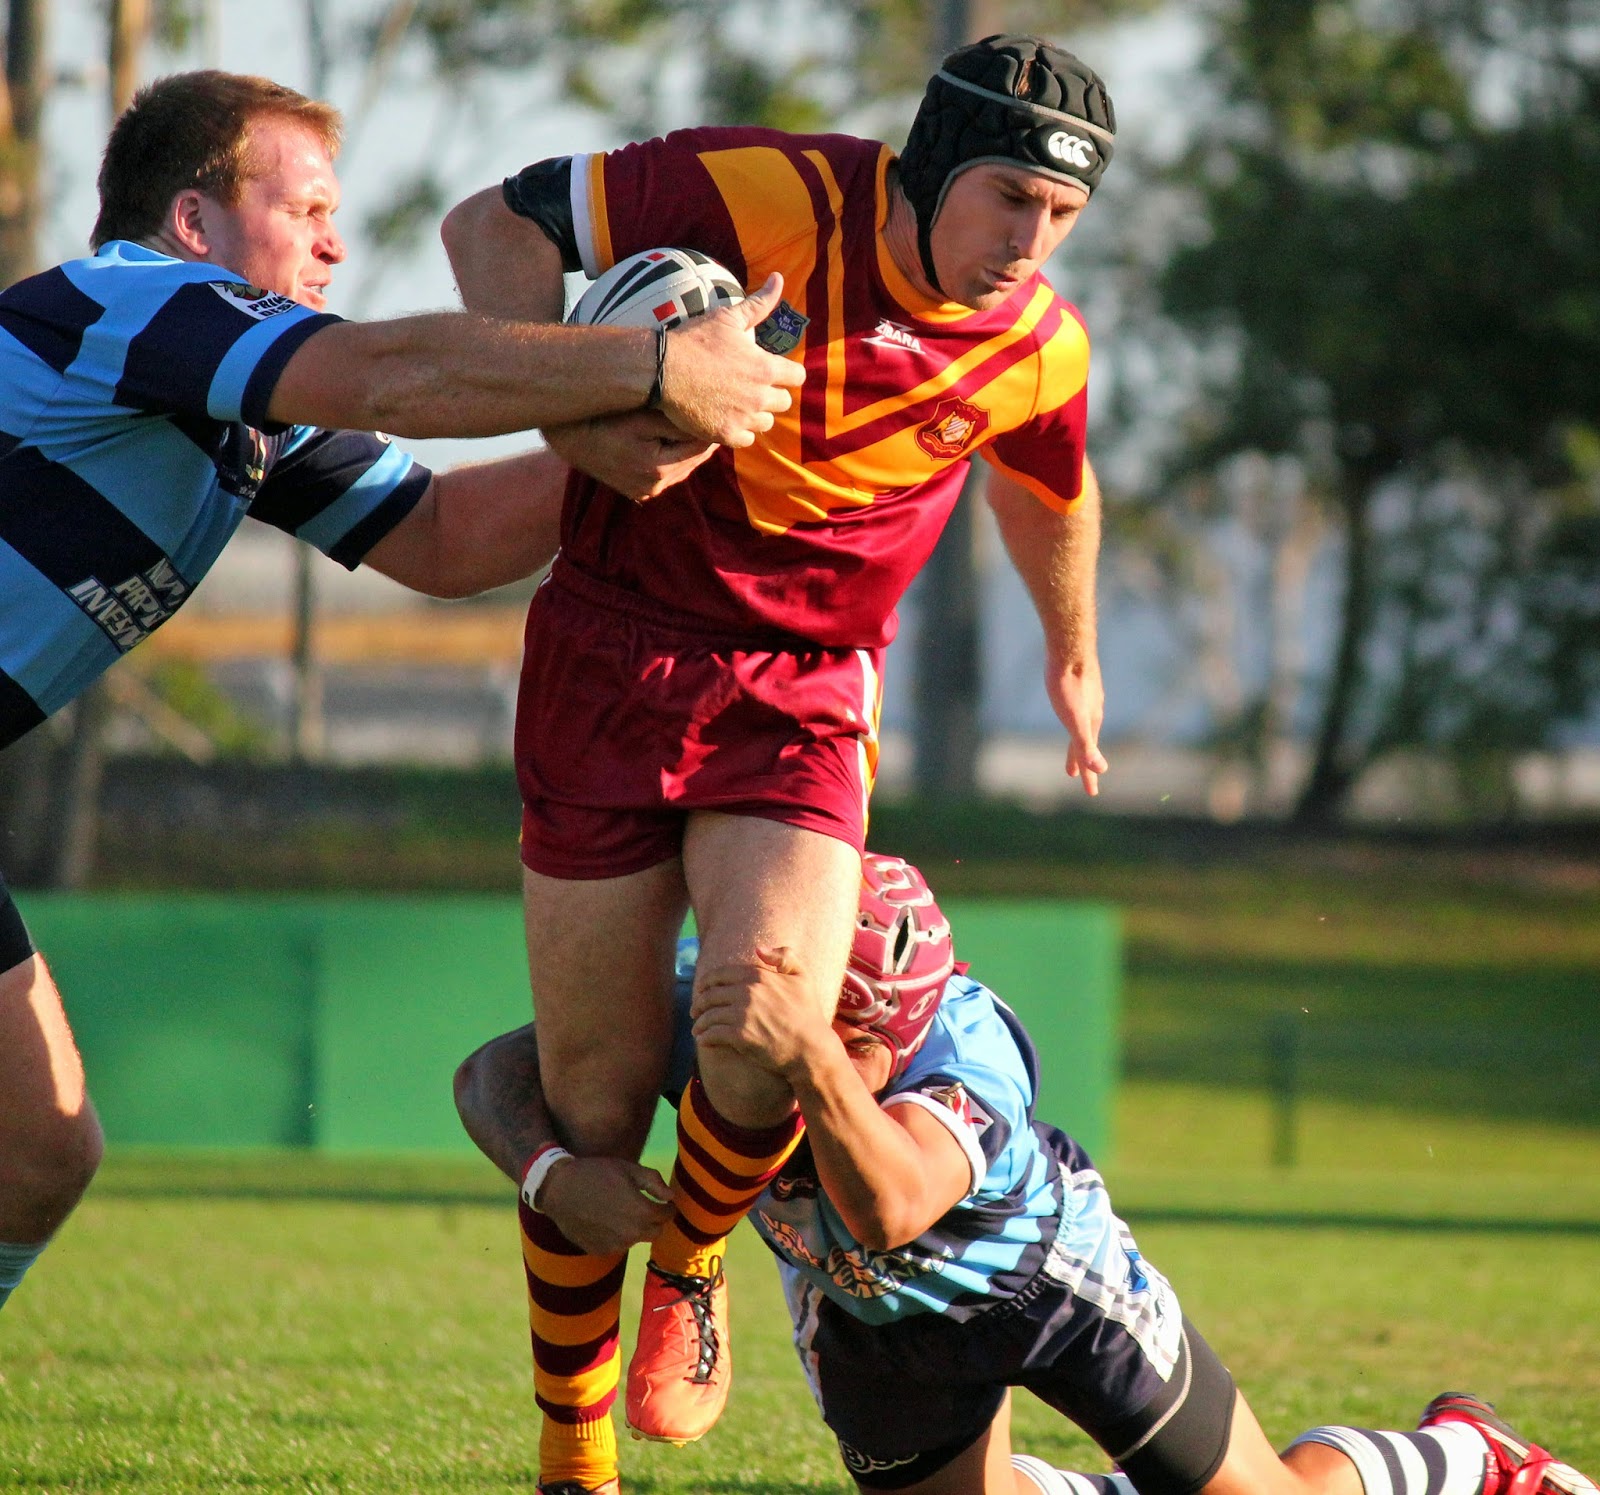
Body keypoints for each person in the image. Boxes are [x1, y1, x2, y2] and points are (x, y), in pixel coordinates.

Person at [0, 67, 804, 1318]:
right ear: (195, 226)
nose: (335, 239)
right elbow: (385, 374)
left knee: (35, 1152)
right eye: (305, 205)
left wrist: (676, 433)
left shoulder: (240, 413)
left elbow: (441, 537)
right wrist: (645, 366)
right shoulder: (128, 300)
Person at [438, 32, 1115, 1453]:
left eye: (1060, 216)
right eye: (1007, 197)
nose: (1028, 241)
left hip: (804, 688)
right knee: (595, 1102)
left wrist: (1073, 649)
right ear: (928, 168)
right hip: (607, 651)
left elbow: (1052, 488)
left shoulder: (1041, 343)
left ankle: (694, 1257)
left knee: (765, 1024)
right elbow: (489, 223)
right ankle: (575, 1443)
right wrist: (577, 392)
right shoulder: (753, 194)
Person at [454, 855, 1599, 1495]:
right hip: (866, 1323)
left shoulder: (968, 1043)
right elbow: (497, 1066)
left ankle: (1465, 1450)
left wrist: (804, 1057)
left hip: (1046, 1285)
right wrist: (552, 1171)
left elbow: (893, 1203)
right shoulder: (731, 992)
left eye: (860, 1053)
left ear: (894, 1026)